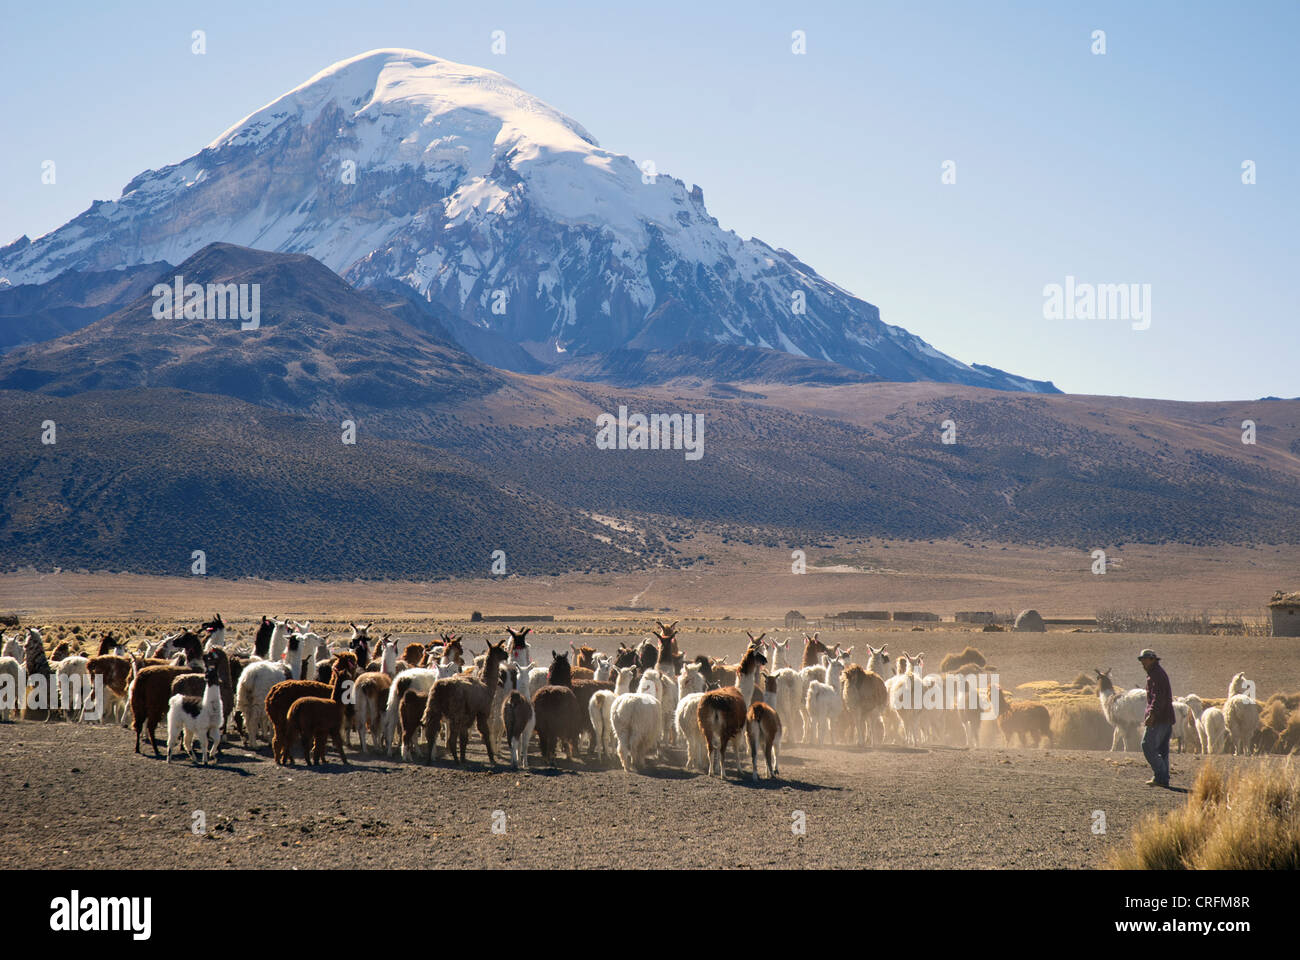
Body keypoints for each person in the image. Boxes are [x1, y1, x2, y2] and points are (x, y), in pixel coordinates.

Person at [1139, 648, 1173, 787]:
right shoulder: (1156, 673)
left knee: (1147, 745)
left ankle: (1161, 775)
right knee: (1161, 750)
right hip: (1166, 717)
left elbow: (1158, 697)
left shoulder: (1156, 675)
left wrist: (1152, 714)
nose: (1143, 663)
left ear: (1153, 659)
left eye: (1145, 660)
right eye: (1141, 660)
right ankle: (1163, 779)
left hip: (1158, 718)